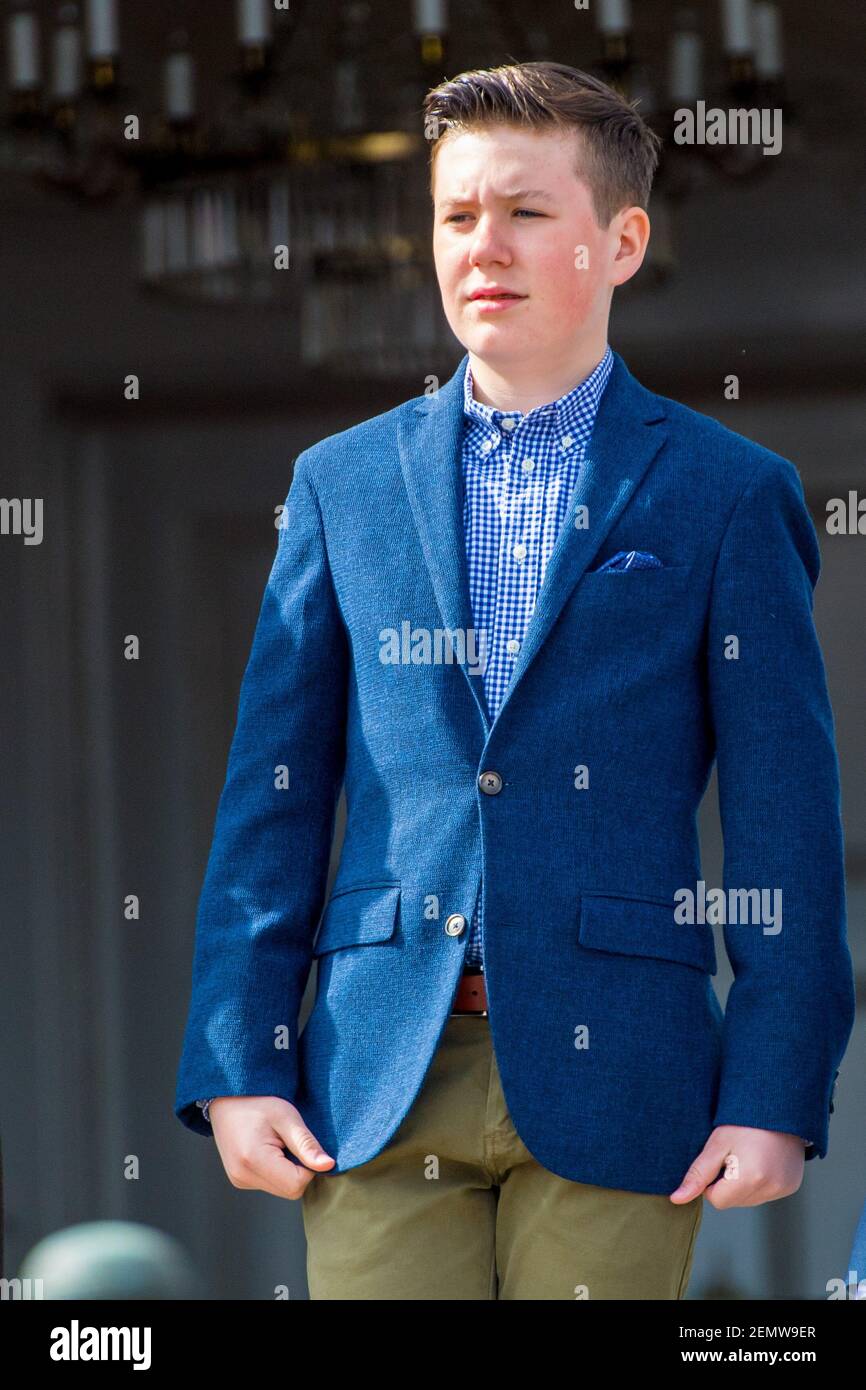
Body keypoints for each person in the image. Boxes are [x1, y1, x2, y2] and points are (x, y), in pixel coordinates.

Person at [174, 62, 855, 1300]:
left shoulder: (724, 491)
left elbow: (784, 822)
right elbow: (270, 795)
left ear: (620, 239)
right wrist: (237, 1056)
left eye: (527, 213)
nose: (483, 246)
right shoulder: (340, 482)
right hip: (376, 1068)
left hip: (625, 1072)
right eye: (455, 216)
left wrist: (774, 1090)